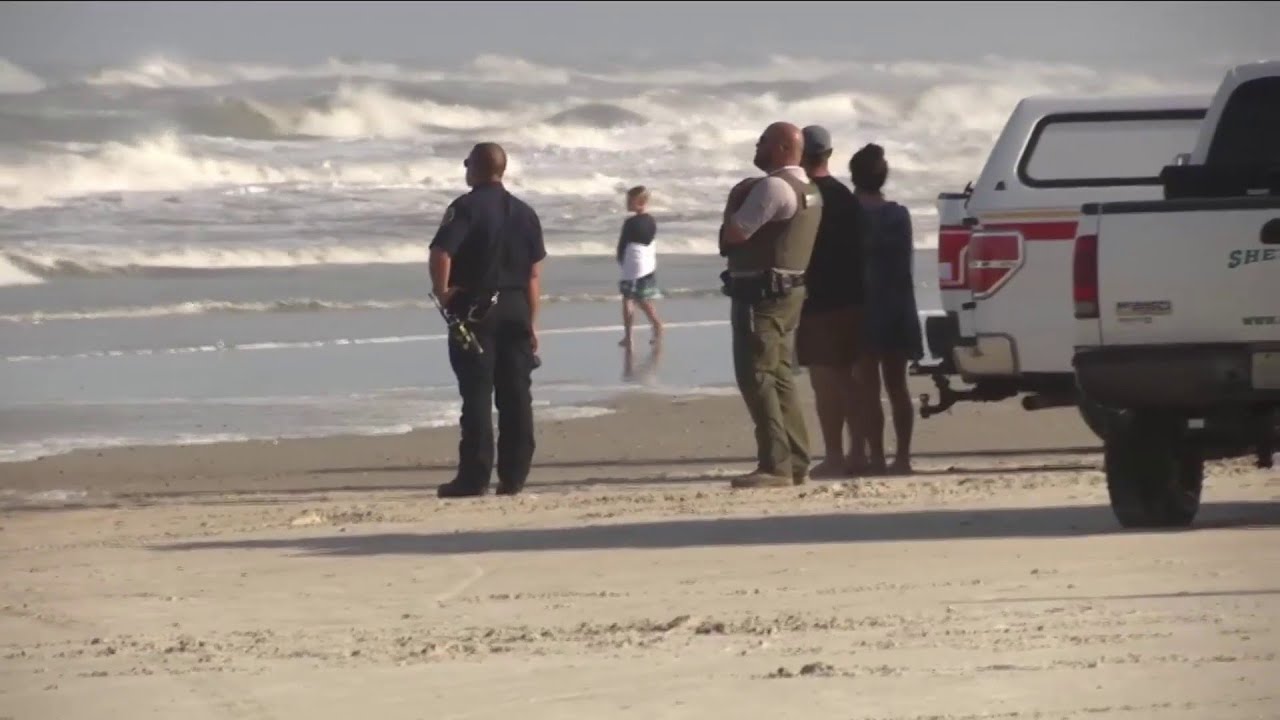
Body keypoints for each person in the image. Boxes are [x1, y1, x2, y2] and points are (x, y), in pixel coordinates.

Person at [428, 142, 547, 498]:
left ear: (475, 167)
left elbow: (441, 252)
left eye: (467, 163)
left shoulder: (465, 208)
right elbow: (534, 275)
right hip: (516, 306)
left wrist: (442, 292)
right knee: (516, 395)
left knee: (477, 394)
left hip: (475, 308)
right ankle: (514, 476)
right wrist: (532, 323)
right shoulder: (526, 213)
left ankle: (474, 477)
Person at [718, 121, 823, 489]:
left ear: (781, 147)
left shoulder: (773, 187)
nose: (757, 146)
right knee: (779, 376)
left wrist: (734, 200)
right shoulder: (808, 189)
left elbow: (735, 234)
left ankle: (775, 463)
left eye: (762, 141)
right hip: (789, 290)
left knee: (757, 375)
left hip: (761, 294)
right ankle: (796, 459)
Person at [793, 125, 870, 478]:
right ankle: (858, 451)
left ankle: (836, 454)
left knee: (826, 383)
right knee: (849, 380)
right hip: (854, 296)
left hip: (820, 299)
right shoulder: (845, 196)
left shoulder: (806, 196)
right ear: (829, 154)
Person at [849, 143, 923, 475]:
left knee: (867, 387)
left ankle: (876, 456)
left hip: (863, 306)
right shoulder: (898, 214)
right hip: (897, 305)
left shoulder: (851, 215)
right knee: (897, 386)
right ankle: (903, 457)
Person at [615, 185, 663, 347]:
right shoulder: (651, 221)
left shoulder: (630, 223)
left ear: (640, 202)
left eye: (630, 201)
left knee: (630, 299)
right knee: (642, 299)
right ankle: (655, 326)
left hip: (633, 265)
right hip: (648, 263)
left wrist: (620, 258)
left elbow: (623, 244)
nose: (627, 203)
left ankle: (631, 336)